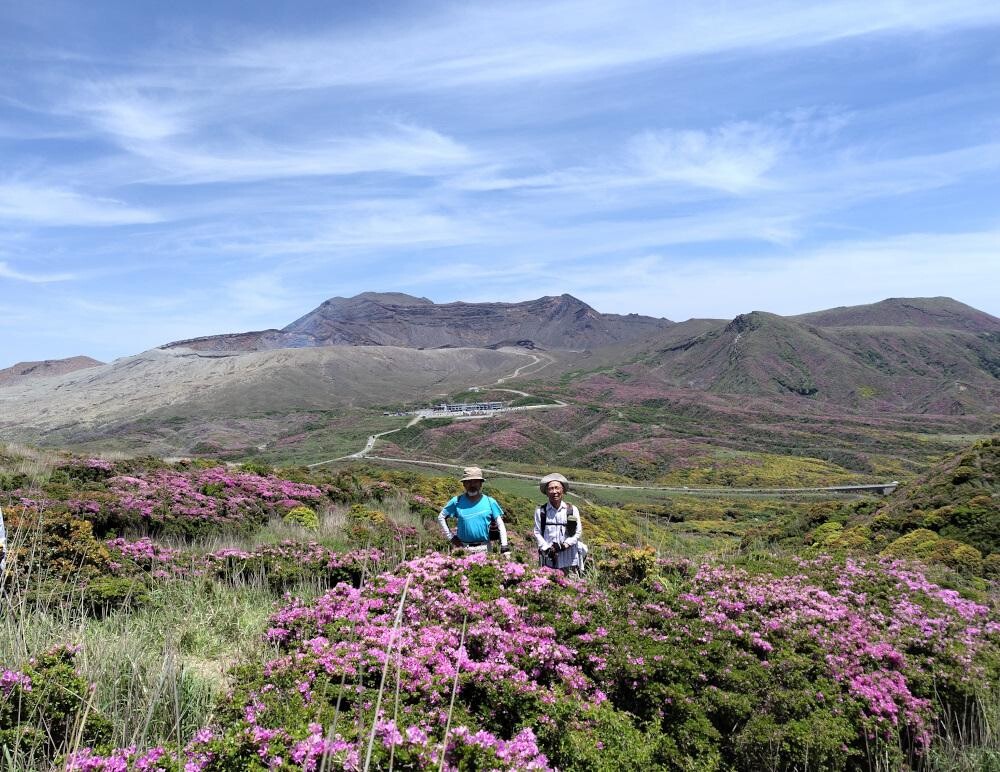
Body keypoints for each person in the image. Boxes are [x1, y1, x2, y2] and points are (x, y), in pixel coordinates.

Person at [438, 466, 510, 555]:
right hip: (463, 549)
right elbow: (441, 517)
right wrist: (451, 537)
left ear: (481, 484)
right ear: (464, 484)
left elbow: (500, 524)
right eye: (468, 482)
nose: (472, 485)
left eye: (475, 481)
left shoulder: (490, 502)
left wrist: (504, 545)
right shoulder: (456, 501)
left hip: (485, 549)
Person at [534, 472, 587, 574]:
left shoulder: (572, 510)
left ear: (563, 490)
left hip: (570, 560)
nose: (554, 491)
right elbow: (537, 532)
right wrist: (546, 548)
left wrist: (565, 545)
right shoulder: (540, 511)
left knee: (572, 588)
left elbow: (578, 532)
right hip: (549, 560)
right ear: (546, 492)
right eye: (551, 488)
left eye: (557, 488)